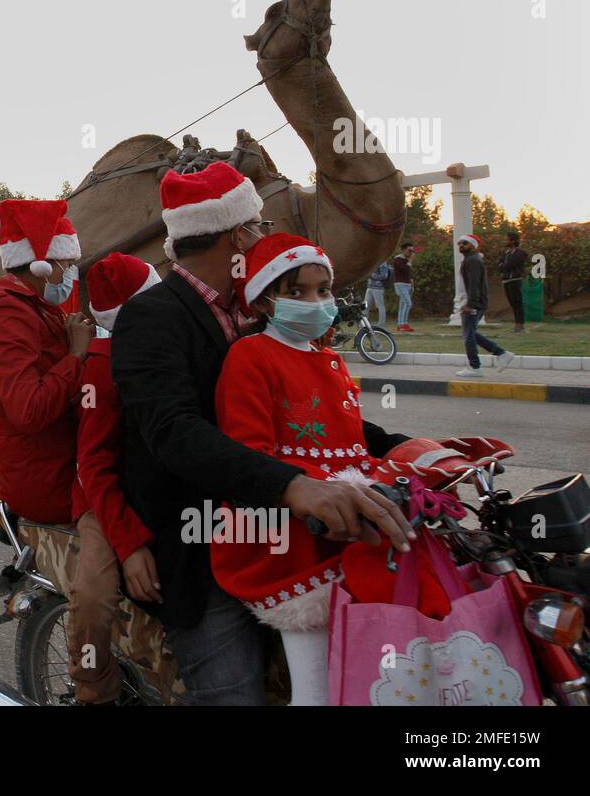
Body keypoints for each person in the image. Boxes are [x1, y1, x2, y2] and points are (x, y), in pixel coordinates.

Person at [111, 162, 415, 705]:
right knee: (236, 694)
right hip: (204, 541)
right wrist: (291, 485)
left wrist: (400, 448)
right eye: (259, 225)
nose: (264, 236)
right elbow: (175, 433)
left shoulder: (256, 311)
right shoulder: (151, 318)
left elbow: (313, 416)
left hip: (292, 532)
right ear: (238, 235)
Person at [208, 233, 420, 705]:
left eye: (323, 290)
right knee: (318, 687)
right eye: (297, 292)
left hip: (355, 524)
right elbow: (251, 453)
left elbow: (352, 445)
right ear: (265, 300)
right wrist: (330, 487)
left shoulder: (329, 358)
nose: (315, 301)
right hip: (292, 540)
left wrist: (410, 459)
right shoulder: (250, 356)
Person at [67, 253, 163, 705]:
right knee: (93, 598)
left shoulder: (175, 346)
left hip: (162, 491)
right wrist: (127, 543)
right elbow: (94, 465)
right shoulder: (102, 366)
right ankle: (93, 687)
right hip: (104, 497)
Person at [0, 199, 91, 524]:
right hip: (44, 477)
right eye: (68, 263)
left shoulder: (33, 307)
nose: (71, 272)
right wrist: (75, 355)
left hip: (61, 460)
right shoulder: (6, 313)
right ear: (42, 265)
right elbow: (28, 410)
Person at [455, 233, 514, 378]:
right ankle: (501, 354)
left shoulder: (473, 261)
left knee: (468, 335)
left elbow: (474, 284)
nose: (461, 245)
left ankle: (476, 367)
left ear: (473, 245)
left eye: (465, 243)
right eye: (460, 243)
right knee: (470, 333)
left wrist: (470, 304)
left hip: (473, 303)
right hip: (472, 302)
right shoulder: (471, 260)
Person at [499, 231, 528, 331]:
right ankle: (517, 323)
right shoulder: (506, 253)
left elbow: (511, 264)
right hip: (506, 280)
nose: (505, 241)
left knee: (517, 302)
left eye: (507, 239)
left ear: (513, 240)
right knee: (512, 303)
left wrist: (504, 266)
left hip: (515, 279)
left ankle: (520, 324)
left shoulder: (520, 253)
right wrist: (503, 266)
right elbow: (500, 265)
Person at [392, 242, 415, 332]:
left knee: (402, 305)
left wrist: (411, 283)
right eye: (410, 250)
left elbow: (409, 273)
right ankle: (402, 324)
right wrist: (410, 261)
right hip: (400, 283)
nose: (411, 253)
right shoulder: (398, 259)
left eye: (412, 251)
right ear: (403, 250)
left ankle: (402, 324)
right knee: (408, 303)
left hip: (407, 283)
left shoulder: (406, 260)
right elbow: (404, 269)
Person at [364, 256, 392, 328]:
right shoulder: (373, 263)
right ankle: (364, 323)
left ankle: (381, 324)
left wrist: (372, 276)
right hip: (370, 286)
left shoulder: (382, 263)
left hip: (378, 287)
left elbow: (384, 276)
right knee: (366, 306)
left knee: (380, 306)